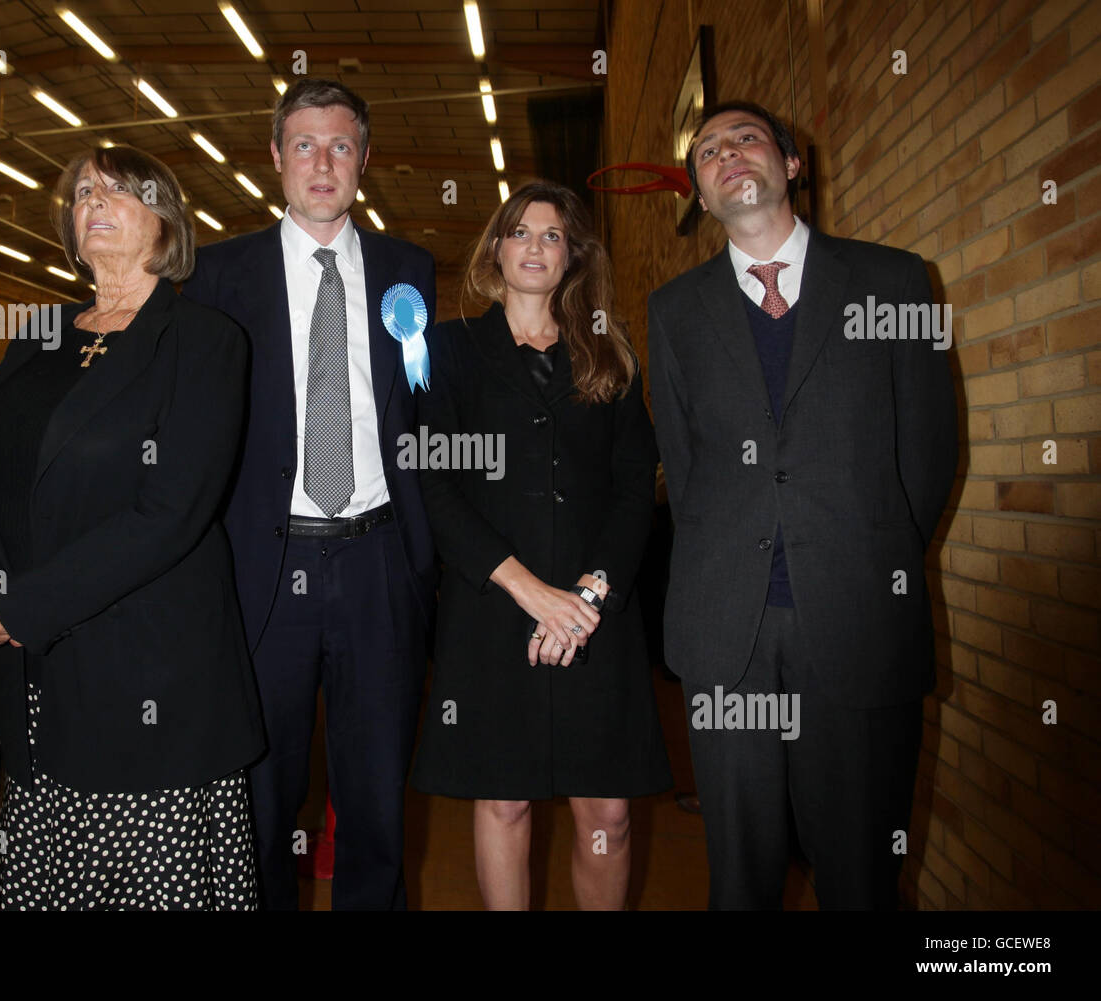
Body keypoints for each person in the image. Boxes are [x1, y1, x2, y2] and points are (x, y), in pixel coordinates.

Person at [647, 101, 957, 909]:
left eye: (746, 138)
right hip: (729, 635)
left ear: (790, 164)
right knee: (740, 880)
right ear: (703, 198)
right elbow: (685, 469)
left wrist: (865, 560)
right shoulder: (675, 313)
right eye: (707, 152)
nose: (726, 154)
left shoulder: (894, 279)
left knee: (859, 875)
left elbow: (927, 452)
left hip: (857, 623)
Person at [0, 144, 265, 910]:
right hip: (33, 674)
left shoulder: (205, 340)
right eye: (83, 190)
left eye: (121, 190)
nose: (94, 200)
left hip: (149, 674)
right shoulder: (40, 333)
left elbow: (169, 513)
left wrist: (21, 606)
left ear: (166, 221)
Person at [183, 77, 437, 910]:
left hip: (377, 564)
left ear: (363, 159)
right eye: (304, 144)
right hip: (264, 566)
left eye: (340, 145)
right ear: (275, 158)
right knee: (262, 799)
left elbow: (426, 415)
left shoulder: (409, 271)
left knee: (376, 802)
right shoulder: (218, 275)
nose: (322, 162)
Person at [410, 182, 671, 910]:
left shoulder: (610, 352)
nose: (534, 246)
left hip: (597, 615)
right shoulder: (448, 351)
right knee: (505, 804)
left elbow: (631, 487)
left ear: (572, 256)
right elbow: (438, 487)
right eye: (519, 232)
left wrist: (586, 596)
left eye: (551, 235)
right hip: (494, 608)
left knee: (609, 815)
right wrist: (531, 592)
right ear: (496, 249)